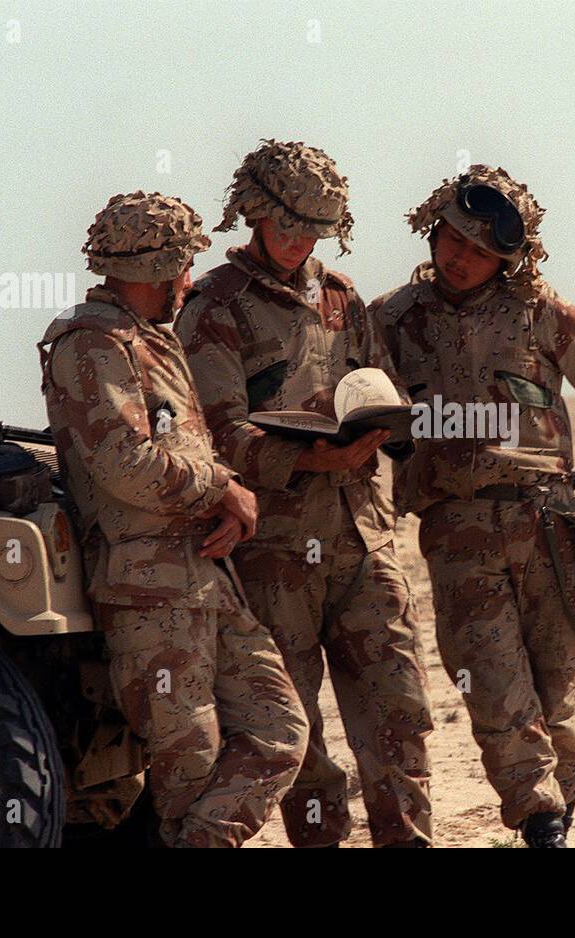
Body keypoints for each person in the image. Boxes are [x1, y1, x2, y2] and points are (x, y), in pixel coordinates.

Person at [369, 165, 575, 847]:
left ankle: (567, 799)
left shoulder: (541, 311)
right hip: (456, 530)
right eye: (453, 242)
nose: (461, 260)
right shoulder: (390, 321)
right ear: (432, 232)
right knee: (493, 685)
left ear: (509, 258)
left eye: (482, 252)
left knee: (557, 682)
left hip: (548, 523)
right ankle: (539, 817)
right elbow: (353, 405)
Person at [176, 141, 434, 847]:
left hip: (363, 538)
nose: (298, 243)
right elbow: (214, 432)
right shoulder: (214, 306)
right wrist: (308, 457)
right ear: (253, 215)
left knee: (398, 708)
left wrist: (379, 426)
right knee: (299, 724)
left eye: (314, 230)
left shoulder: (343, 299)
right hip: (274, 551)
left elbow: (380, 386)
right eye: (286, 226)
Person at [39, 190, 307, 847]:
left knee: (279, 728)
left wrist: (227, 502)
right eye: (184, 265)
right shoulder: (91, 344)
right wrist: (219, 487)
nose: (190, 279)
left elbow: (181, 449)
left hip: (206, 577)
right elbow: (124, 462)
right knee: (189, 762)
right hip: (147, 591)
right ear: (160, 267)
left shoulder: (152, 341)